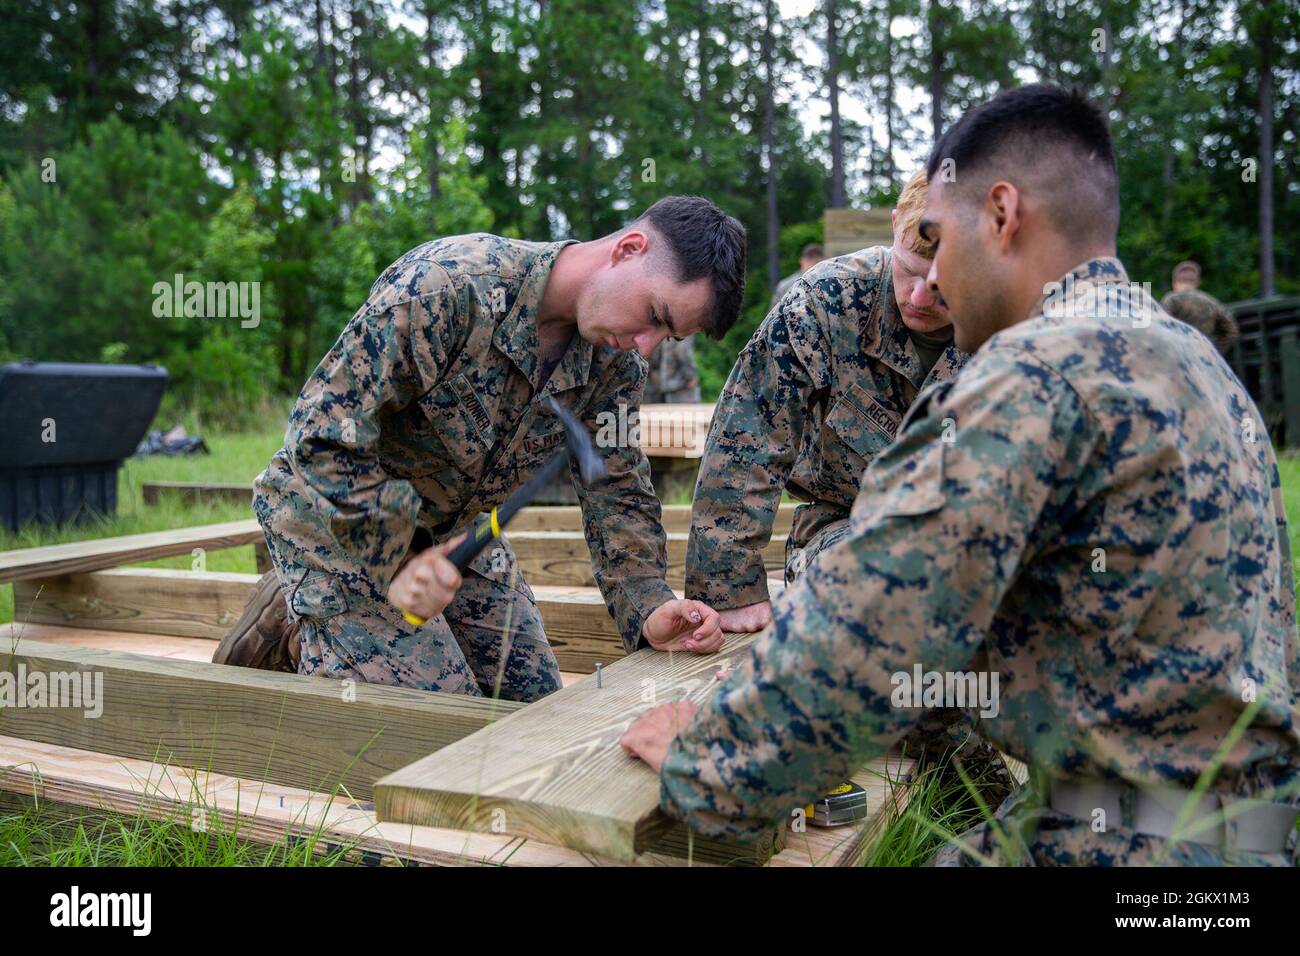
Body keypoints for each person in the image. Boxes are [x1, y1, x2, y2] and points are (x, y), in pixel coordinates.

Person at [622, 84, 1300, 866]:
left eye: (938, 240)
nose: (932, 277)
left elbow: (875, 630)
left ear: (1003, 215)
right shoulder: (1198, 366)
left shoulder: (1031, 372)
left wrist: (708, 758)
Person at [247, 197, 747, 702]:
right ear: (629, 249)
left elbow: (616, 489)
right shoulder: (446, 287)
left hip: (453, 534)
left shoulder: (614, 366)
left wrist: (649, 606)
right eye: (654, 316)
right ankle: (303, 615)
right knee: (436, 722)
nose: (645, 345)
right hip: (335, 518)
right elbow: (322, 435)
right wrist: (397, 556)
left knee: (530, 705)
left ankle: (315, 611)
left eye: (667, 335)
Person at [1161, 259, 1240, 356]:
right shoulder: (1212, 302)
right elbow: (1231, 330)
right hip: (1205, 357)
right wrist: (1215, 351)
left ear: (1175, 282)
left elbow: (1163, 328)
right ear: (1197, 282)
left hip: (1180, 357)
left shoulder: (1171, 300)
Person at [643, 336, 701, 404]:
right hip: (678, 385)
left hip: (653, 384)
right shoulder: (685, 329)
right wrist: (690, 376)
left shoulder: (657, 327)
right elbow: (683, 351)